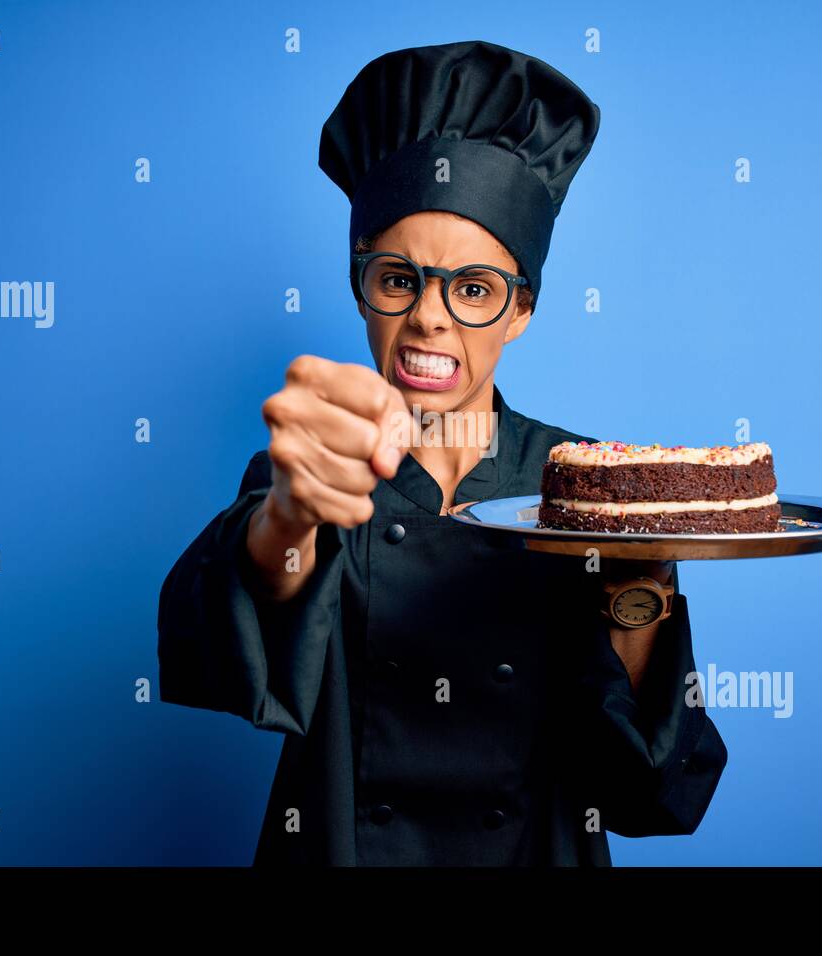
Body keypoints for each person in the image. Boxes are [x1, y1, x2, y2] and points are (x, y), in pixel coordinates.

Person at [157, 39, 728, 866]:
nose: (430, 318)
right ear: (362, 283)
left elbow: (655, 796)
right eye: (398, 279)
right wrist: (288, 513)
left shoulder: (584, 479)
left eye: (473, 289)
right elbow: (227, 639)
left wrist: (642, 587)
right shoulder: (318, 465)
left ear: (521, 309)